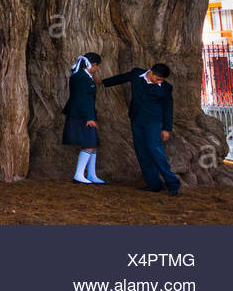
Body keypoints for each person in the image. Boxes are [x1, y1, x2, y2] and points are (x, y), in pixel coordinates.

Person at [102, 62, 180, 196]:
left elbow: (168, 108)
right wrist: (102, 82)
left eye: (162, 80)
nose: (159, 81)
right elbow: (121, 78)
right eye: (158, 79)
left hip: (153, 123)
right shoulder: (136, 74)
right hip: (136, 120)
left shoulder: (166, 88)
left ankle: (172, 183)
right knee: (141, 151)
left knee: (155, 150)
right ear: (151, 73)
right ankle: (153, 184)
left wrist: (167, 128)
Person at [63, 53, 106, 185]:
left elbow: (87, 99)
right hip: (81, 115)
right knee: (90, 144)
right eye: (98, 67)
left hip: (86, 113)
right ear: (93, 65)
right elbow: (82, 99)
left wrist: (94, 112)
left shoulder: (85, 76)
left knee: (93, 144)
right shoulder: (82, 77)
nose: (98, 69)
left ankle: (92, 175)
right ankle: (79, 174)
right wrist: (89, 117)